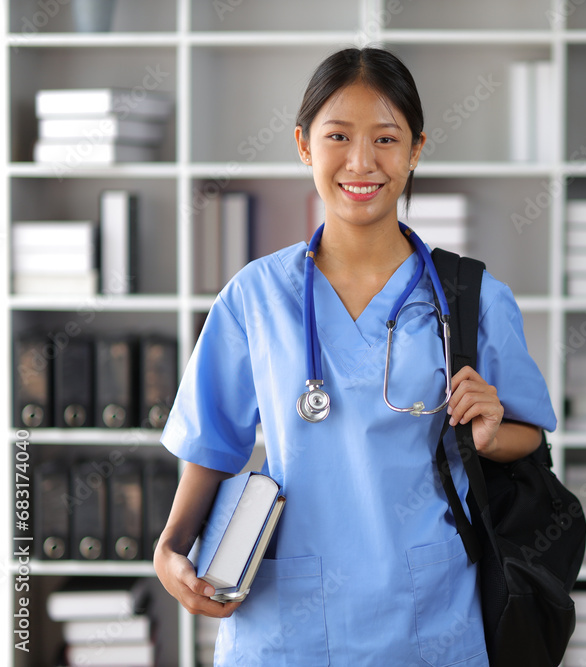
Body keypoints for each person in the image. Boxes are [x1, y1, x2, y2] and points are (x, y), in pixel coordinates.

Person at [152, 46, 557, 666]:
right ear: (304, 144)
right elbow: (211, 445)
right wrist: (171, 547)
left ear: (416, 149)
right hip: (286, 615)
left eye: (386, 139)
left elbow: (528, 436)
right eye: (338, 135)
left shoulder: (471, 298)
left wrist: (492, 430)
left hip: (427, 609)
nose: (361, 162)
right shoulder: (255, 297)